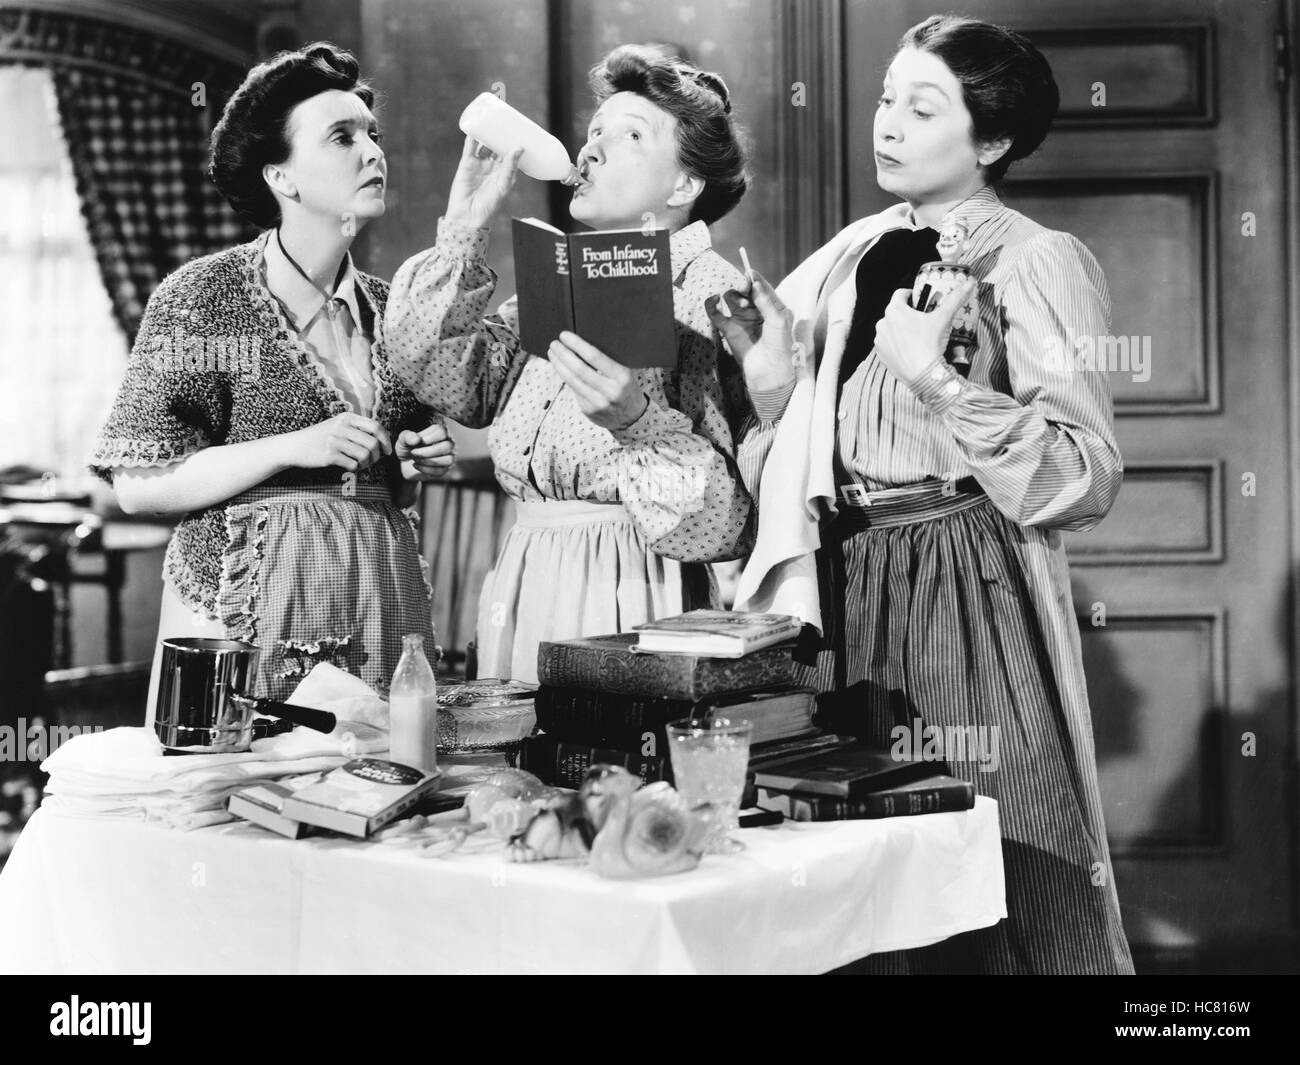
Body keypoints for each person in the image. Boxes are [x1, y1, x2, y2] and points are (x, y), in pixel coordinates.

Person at [715, 15, 1134, 974]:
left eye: (922, 106)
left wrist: (938, 382)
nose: (888, 123)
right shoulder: (852, 255)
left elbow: (1082, 474)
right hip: (840, 585)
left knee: (991, 867)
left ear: (992, 141)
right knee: (851, 878)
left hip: (959, 583)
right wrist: (774, 380)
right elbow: (800, 457)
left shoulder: (1035, 259)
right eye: (886, 99)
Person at [89, 43, 454, 712]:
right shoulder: (201, 298)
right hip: (235, 625)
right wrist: (295, 445)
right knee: (230, 803)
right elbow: (137, 486)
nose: (373, 152)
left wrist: (410, 461)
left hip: (376, 603)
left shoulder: (392, 309)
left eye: (372, 135)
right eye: (342, 137)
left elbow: (382, 483)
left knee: (373, 798)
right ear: (280, 177)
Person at [385, 45, 756, 684]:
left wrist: (639, 424)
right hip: (526, 567)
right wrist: (464, 225)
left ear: (684, 184)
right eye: (593, 134)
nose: (590, 152)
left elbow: (722, 523)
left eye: (630, 136)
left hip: (632, 587)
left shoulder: (711, 297)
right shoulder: (551, 288)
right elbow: (435, 366)